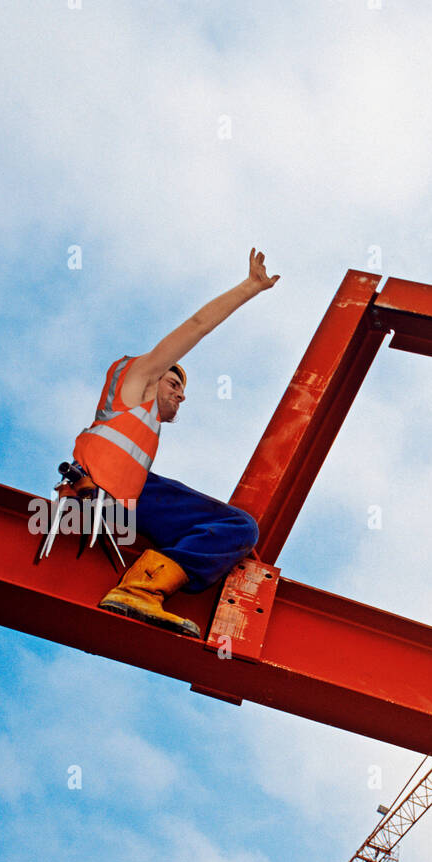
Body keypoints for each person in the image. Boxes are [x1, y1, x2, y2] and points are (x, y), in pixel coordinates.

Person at [69, 248, 280, 638]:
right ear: (152, 376)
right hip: (107, 493)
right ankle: (139, 591)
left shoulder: (139, 421)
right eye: (175, 383)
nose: (181, 395)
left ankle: (149, 581)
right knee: (236, 526)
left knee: (209, 531)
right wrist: (250, 287)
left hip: (115, 501)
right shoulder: (135, 381)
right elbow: (198, 325)